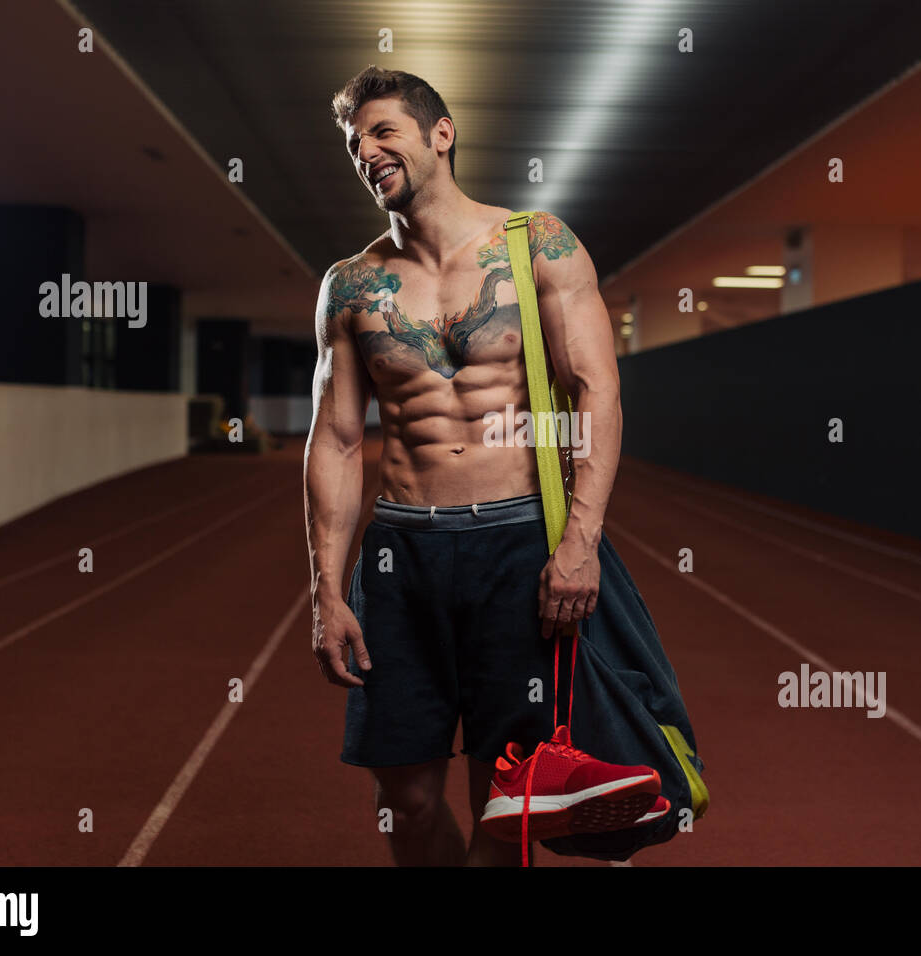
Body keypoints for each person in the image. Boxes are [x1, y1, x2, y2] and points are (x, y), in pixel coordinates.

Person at [305, 65, 625, 866]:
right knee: (405, 798)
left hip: (516, 545)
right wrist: (325, 591)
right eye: (354, 142)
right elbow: (339, 440)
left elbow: (596, 391)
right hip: (400, 551)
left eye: (383, 131)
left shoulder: (538, 244)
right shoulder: (352, 284)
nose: (366, 150)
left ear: (440, 134)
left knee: (504, 794)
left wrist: (579, 541)